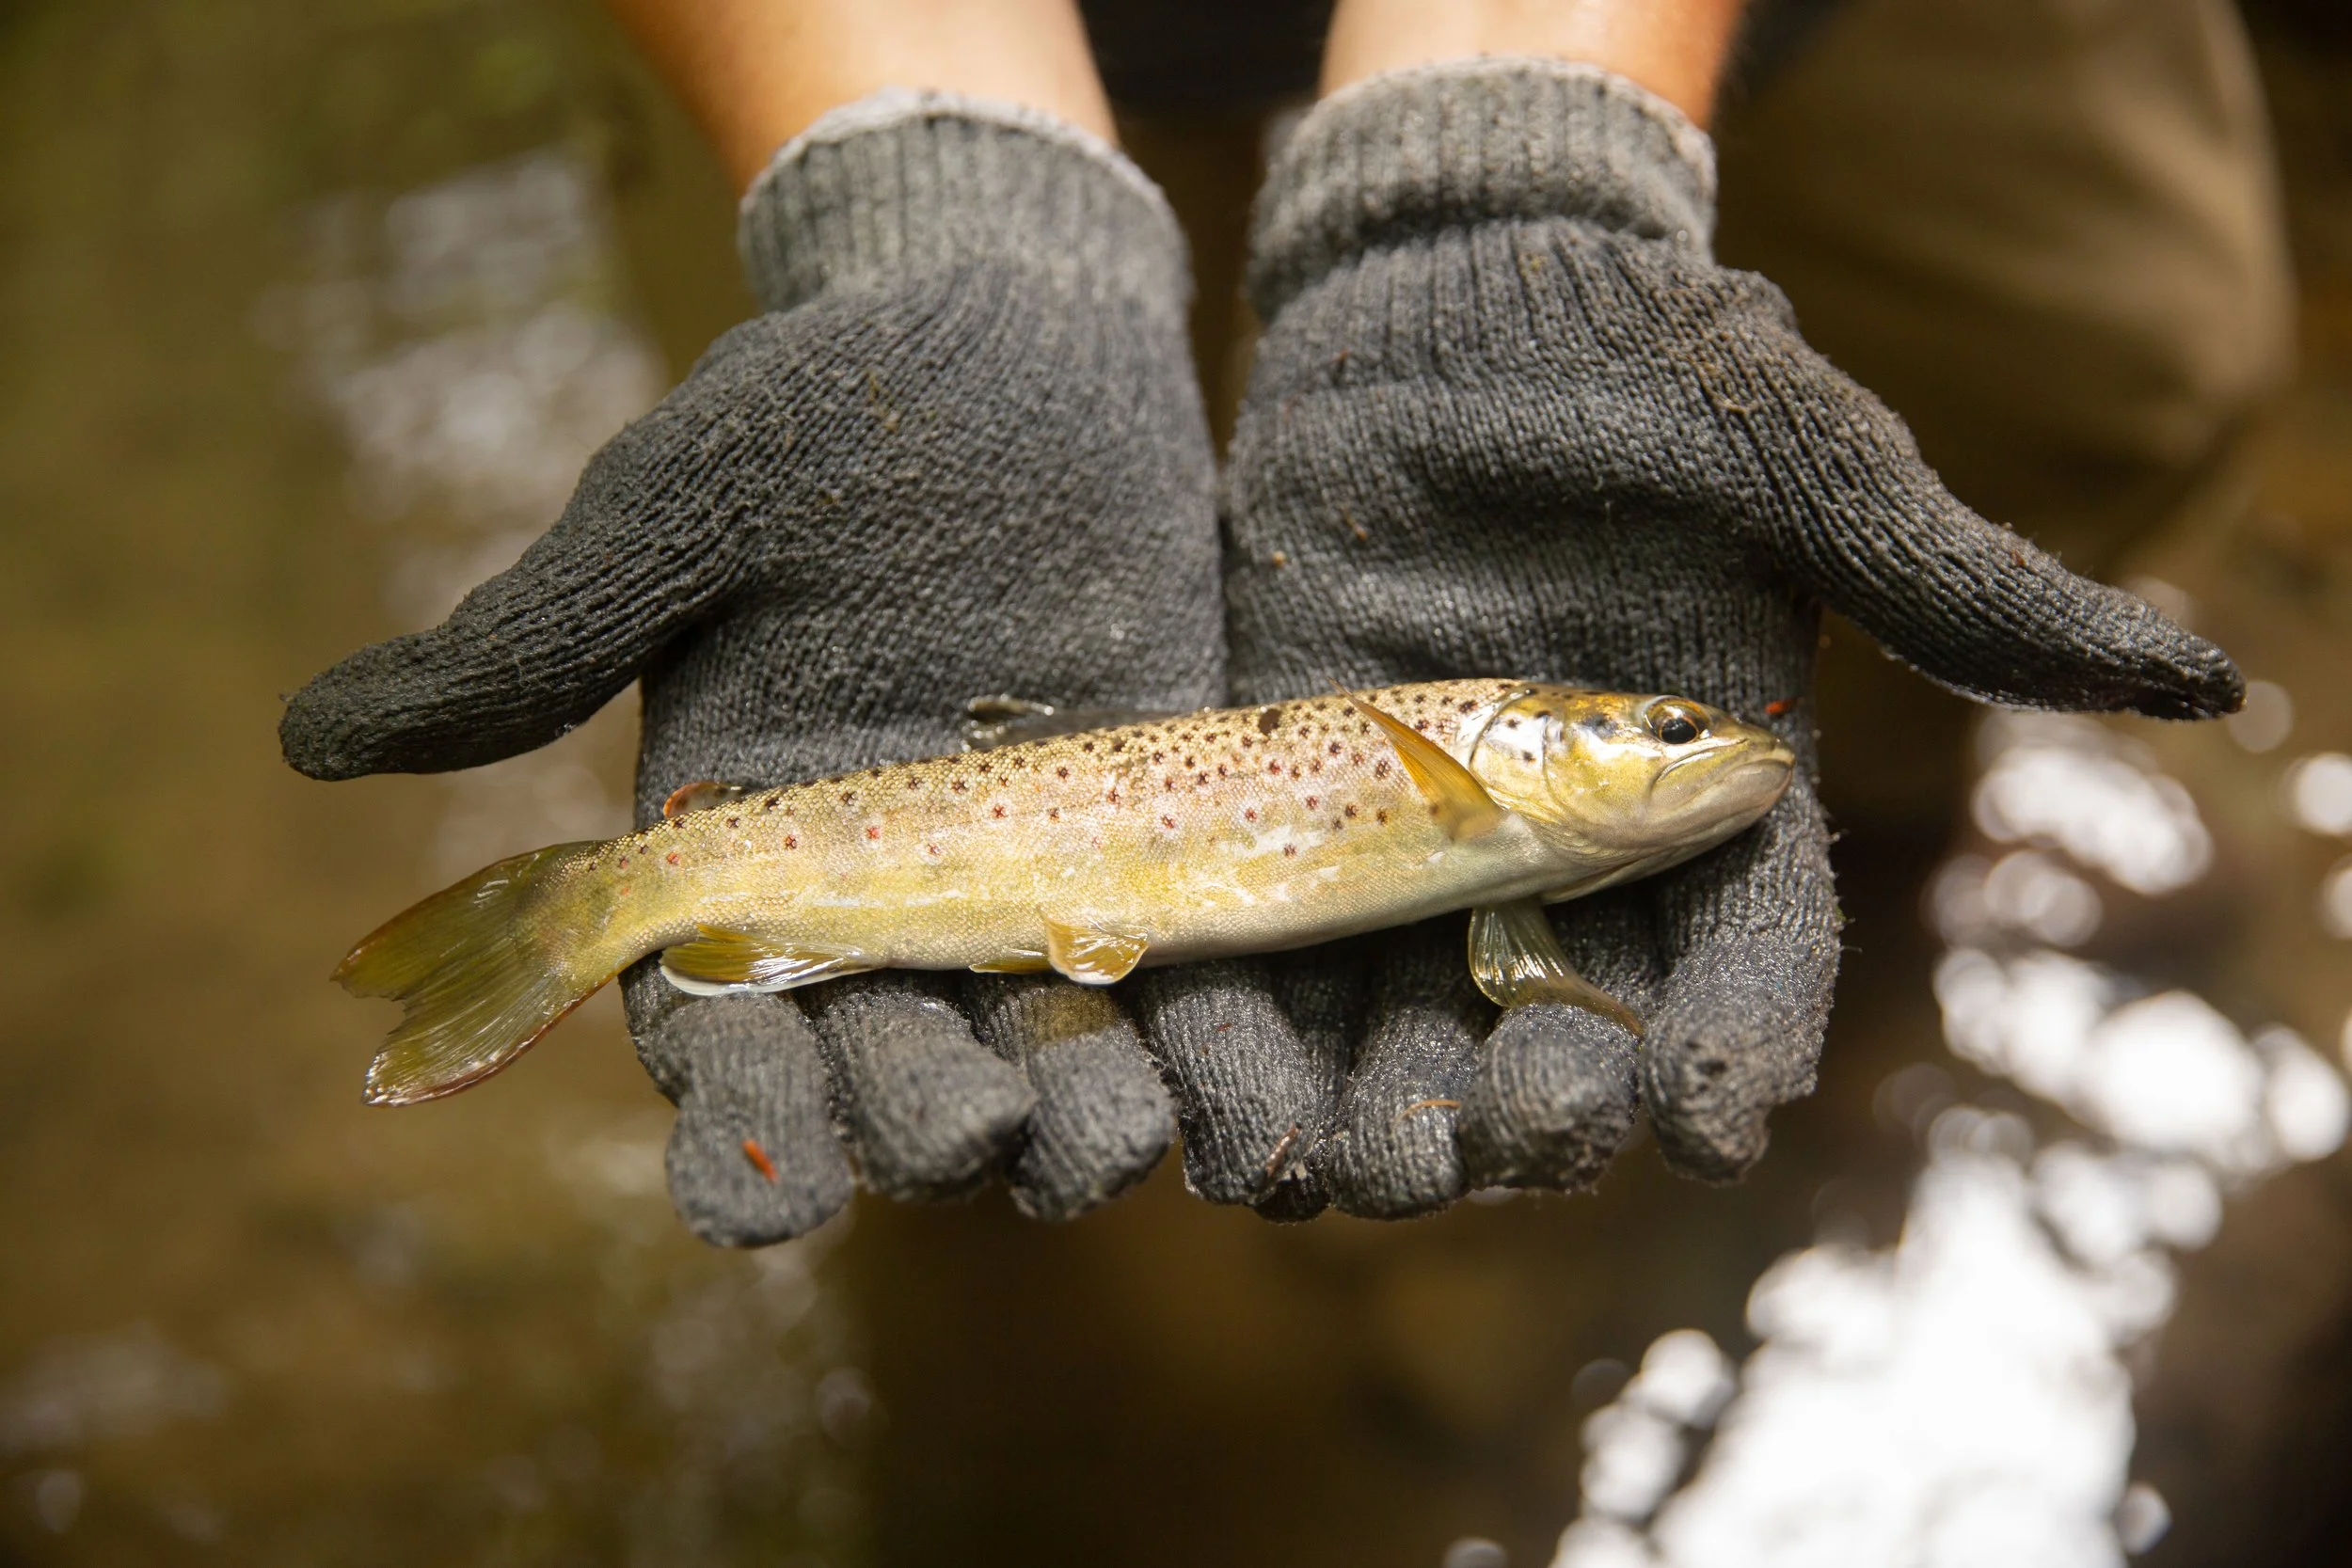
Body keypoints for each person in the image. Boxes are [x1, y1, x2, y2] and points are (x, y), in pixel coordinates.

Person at [278, 0, 2247, 1252]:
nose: (1684, 735)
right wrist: (921, 191)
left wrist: (1517, 142)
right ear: (1514, 750)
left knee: (2120, 372)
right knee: (1040, 1193)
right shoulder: (1468, 794)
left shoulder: (1501, 804)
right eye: (1651, 728)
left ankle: (1896, 853)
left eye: (1658, 731)